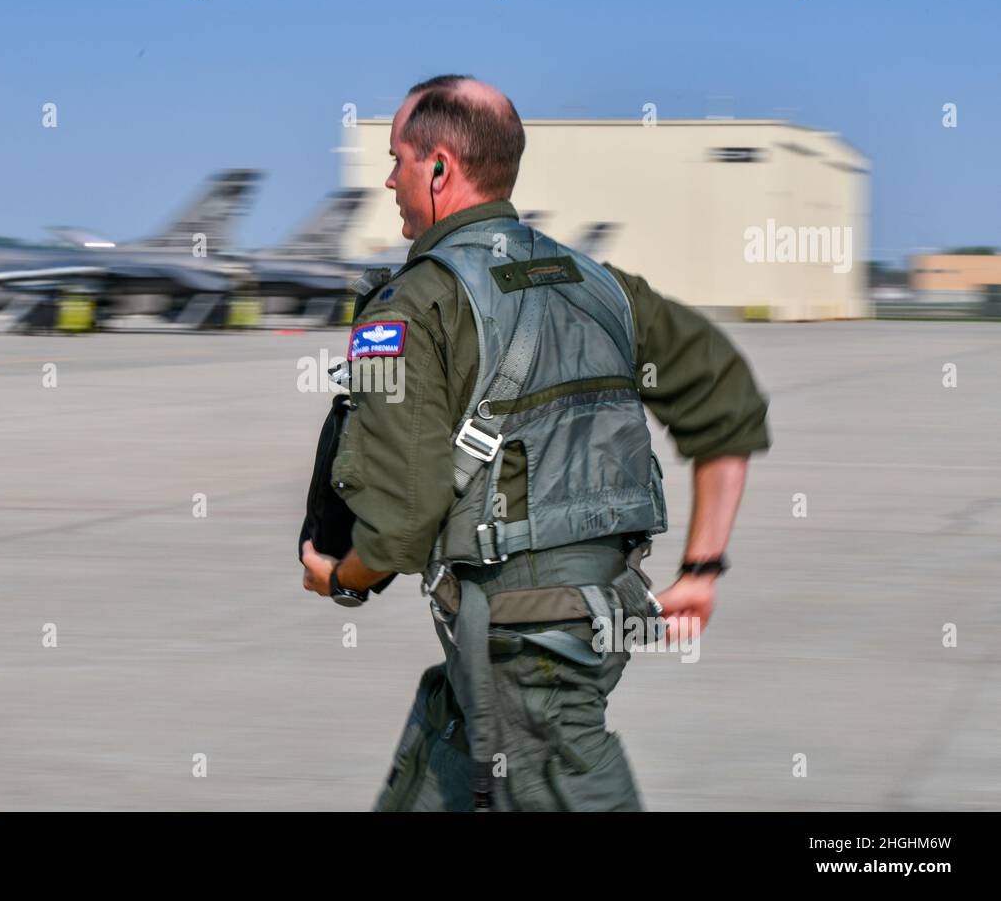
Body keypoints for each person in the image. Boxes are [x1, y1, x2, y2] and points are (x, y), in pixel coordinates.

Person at [300, 75, 771, 811]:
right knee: (442, 762)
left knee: (561, 774)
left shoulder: (413, 306)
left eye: (396, 159)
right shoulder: (600, 285)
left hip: (526, 656)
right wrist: (703, 565)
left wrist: (339, 577)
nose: (388, 180)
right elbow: (728, 399)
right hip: (578, 624)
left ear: (438, 170)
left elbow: (402, 518)